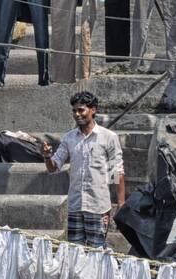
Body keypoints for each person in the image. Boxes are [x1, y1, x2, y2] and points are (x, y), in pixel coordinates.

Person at [42, 91, 125, 247]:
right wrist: (47, 156)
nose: (77, 114)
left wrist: (121, 204)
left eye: (81, 110)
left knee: (97, 252)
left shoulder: (108, 137)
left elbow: (117, 171)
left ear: (93, 110)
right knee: (75, 253)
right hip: (75, 205)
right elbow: (54, 167)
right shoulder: (69, 138)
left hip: (98, 206)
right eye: (74, 111)